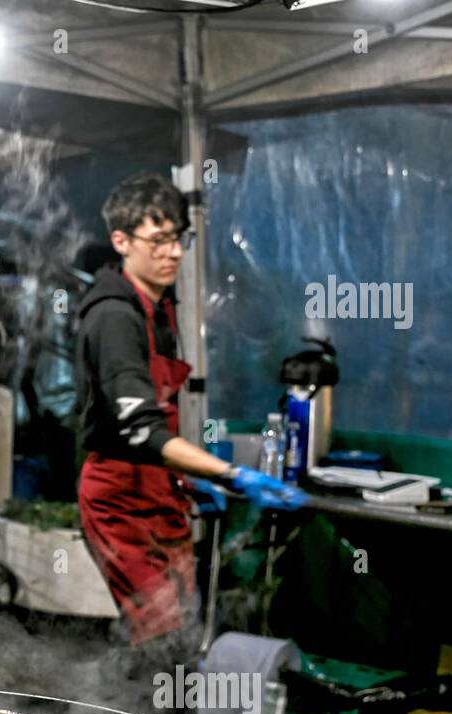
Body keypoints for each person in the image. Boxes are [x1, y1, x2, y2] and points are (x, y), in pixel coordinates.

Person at [75, 173, 304, 669]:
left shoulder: (157, 306)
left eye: (178, 238)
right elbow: (142, 429)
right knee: (158, 637)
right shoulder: (114, 316)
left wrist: (181, 476)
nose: (174, 252)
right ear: (121, 241)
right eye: (158, 240)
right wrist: (230, 473)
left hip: (157, 486)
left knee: (182, 623)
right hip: (121, 497)